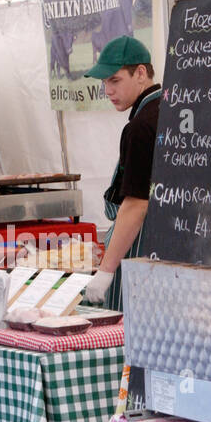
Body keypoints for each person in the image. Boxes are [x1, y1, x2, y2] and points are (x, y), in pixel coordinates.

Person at [82, 35, 160, 310]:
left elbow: (136, 205)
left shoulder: (140, 127)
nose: (108, 91)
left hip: (142, 252)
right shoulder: (175, 109)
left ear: (140, 73)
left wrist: (105, 271)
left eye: (115, 80)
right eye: (104, 83)